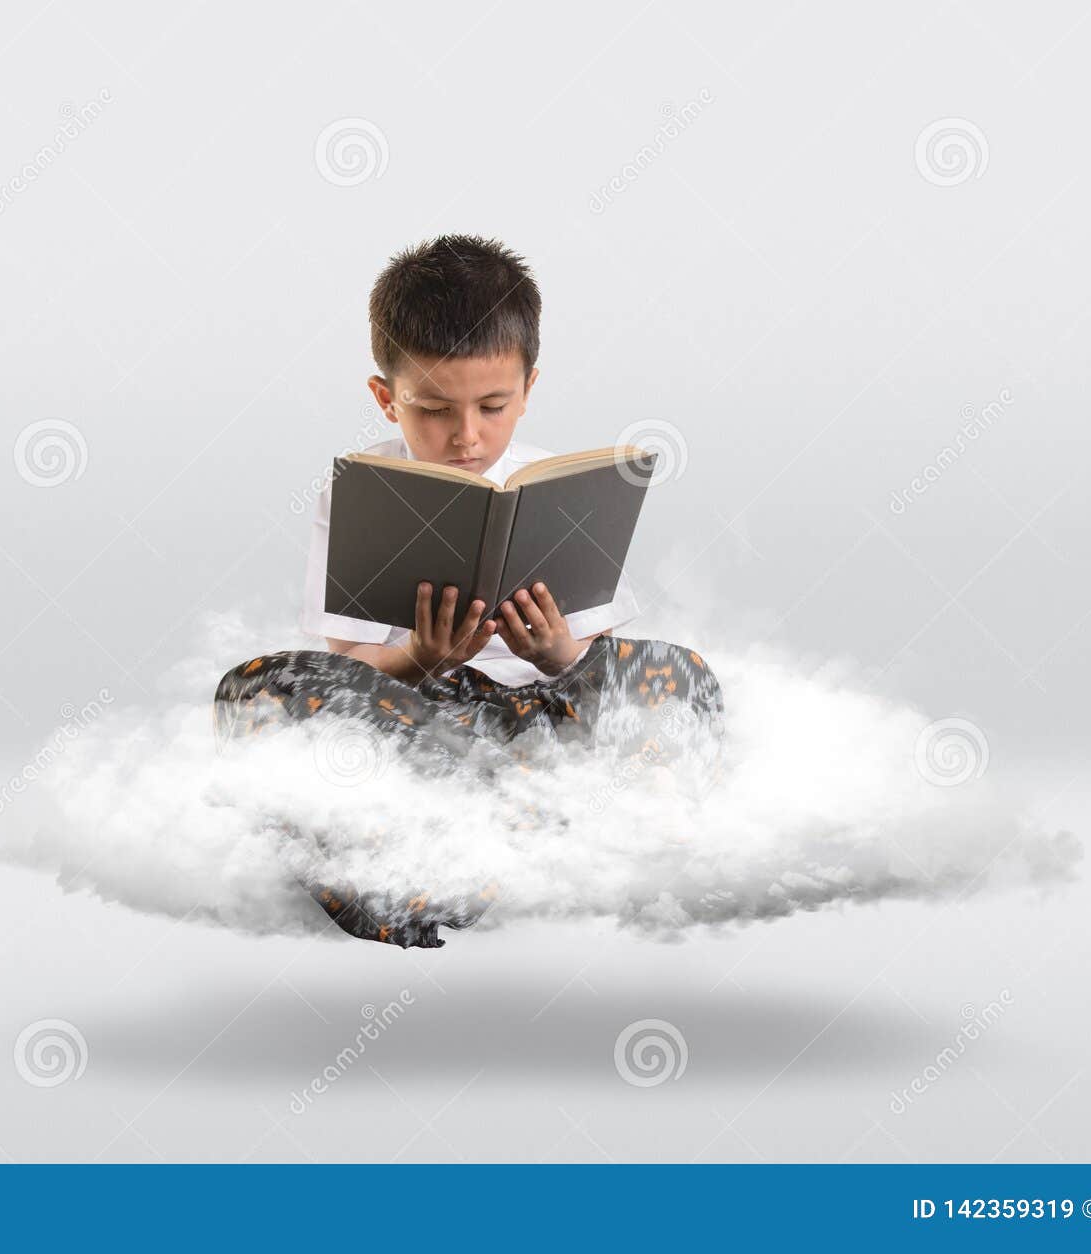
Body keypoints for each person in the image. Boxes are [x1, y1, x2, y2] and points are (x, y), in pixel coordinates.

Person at [215, 235, 725, 949]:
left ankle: (571, 833)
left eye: (493, 405)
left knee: (682, 673)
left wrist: (557, 655)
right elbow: (343, 668)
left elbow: (601, 665)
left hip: (545, 720)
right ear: (385, 398)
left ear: (529, 389)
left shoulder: (561, 481)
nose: (466, 436)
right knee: (257, 689)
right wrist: (421, 661)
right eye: (433, 409)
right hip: (427, 727)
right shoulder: (360, 491)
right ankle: (431, 877)